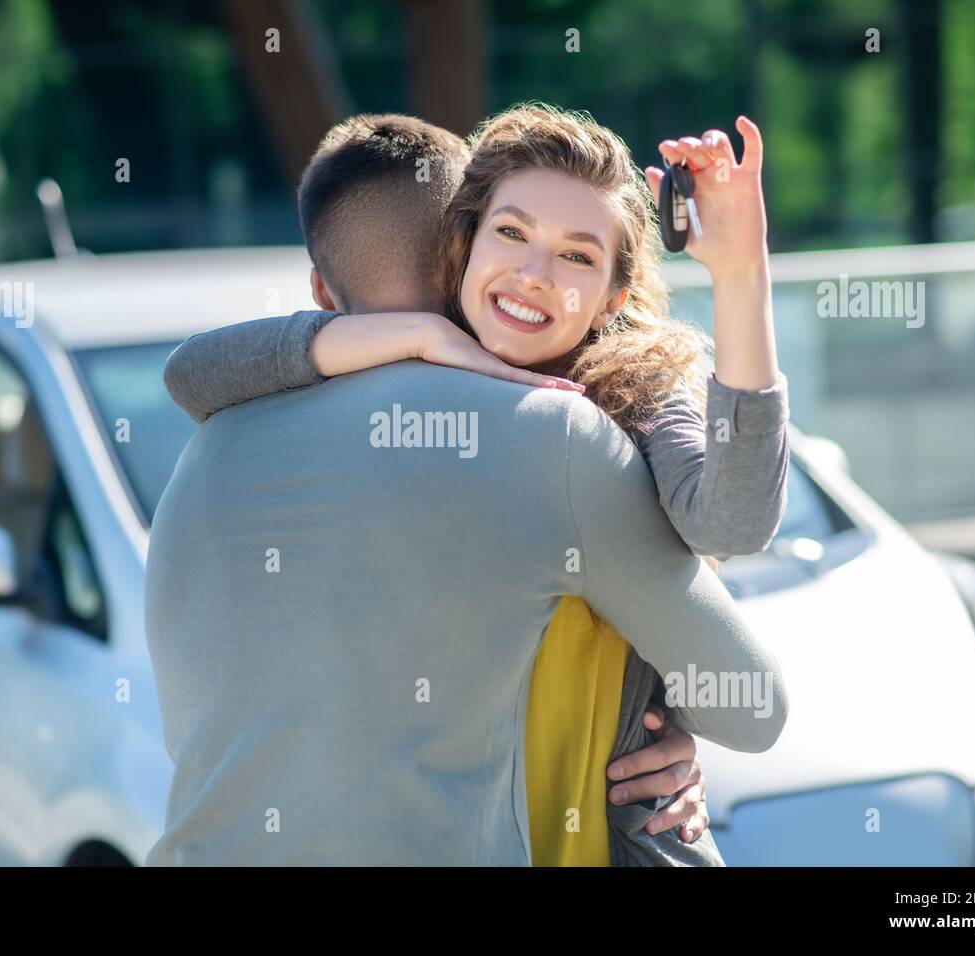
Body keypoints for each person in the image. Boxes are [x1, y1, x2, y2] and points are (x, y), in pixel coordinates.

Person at [151, 110, 788, 866]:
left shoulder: (625, 397)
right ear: (463, 244)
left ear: (615, 297)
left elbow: (733, 525)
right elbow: (191, 369)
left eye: (578, 257)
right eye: (511, 234)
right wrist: (421, 337)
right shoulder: (529, 435)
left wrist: (741, 274)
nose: (534, 275)